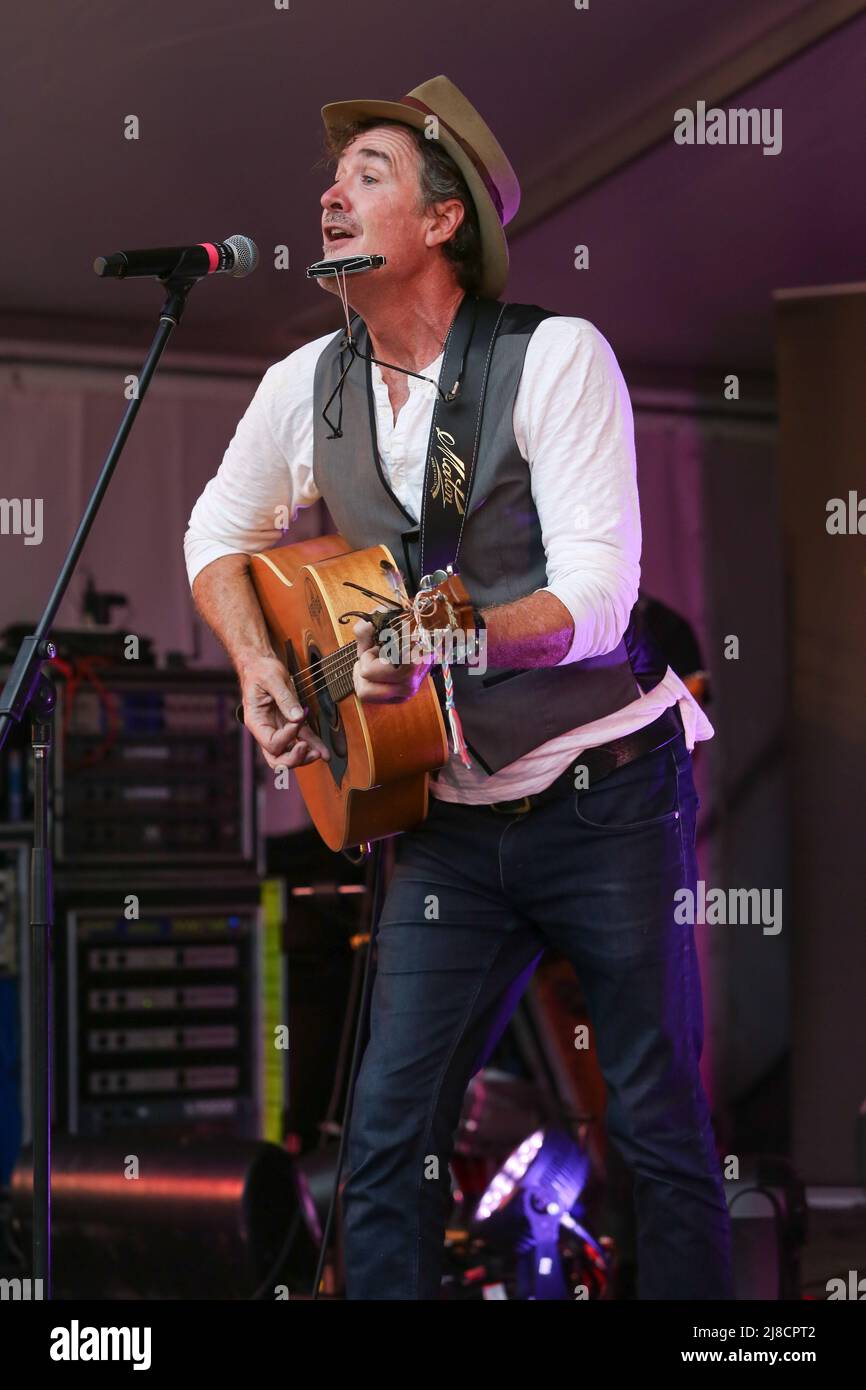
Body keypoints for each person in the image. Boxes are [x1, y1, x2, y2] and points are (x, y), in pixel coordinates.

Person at [184, 75, 733, 1301]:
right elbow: (215, 536)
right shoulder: (302, 384)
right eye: (332, 177)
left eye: (368, 174)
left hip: (604, 794)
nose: (329, 192)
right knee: (386, 1138)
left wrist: (451, 641)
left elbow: (598, 599)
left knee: (653, 1121)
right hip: (440, 817)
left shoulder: (553, 358)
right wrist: (262, 663)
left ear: (443, 221)